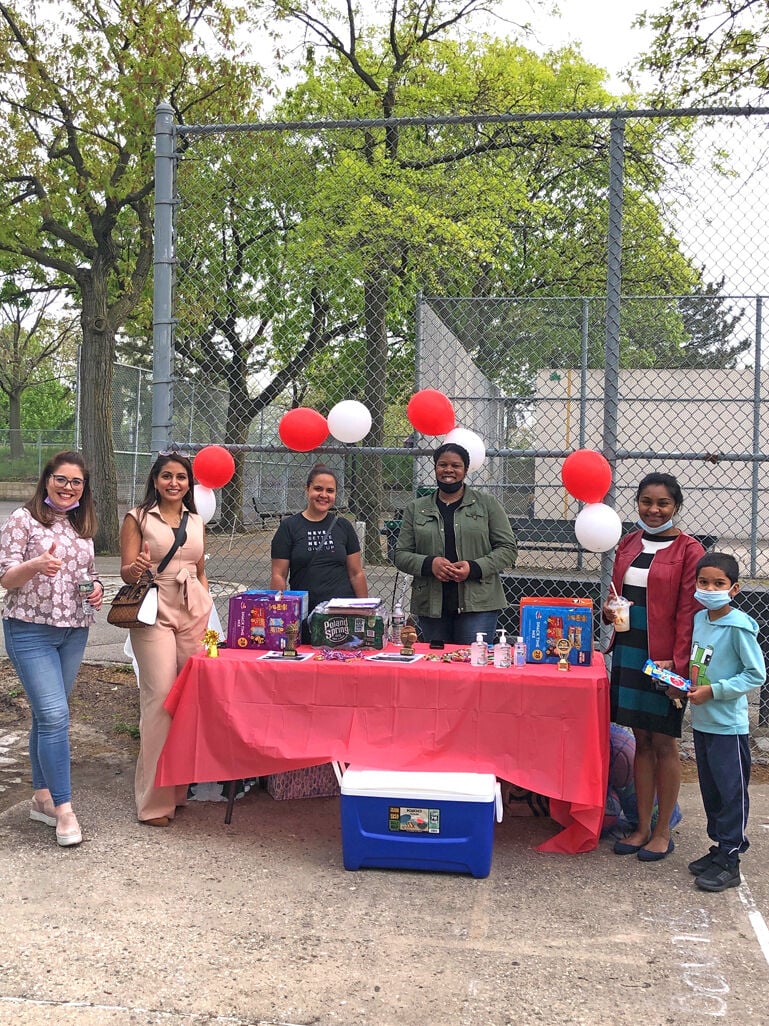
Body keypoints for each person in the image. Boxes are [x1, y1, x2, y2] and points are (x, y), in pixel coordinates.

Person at [0, 451, 103, 847]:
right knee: (56, 716)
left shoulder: (82, 525)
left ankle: (41, 798)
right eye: (61, 479)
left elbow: (89, 575)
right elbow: (7, 578)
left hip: (73, 631)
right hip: (29, 631)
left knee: (46, 718)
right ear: (47, 480)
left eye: (76, 482)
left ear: (83, 488)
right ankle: (64, 809)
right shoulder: (22, 520)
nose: (68, 487)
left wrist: (95, 590)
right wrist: (34, 565)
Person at [603, 471, 704, 861]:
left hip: (663, 659)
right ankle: (641, 826)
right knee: (641, 740)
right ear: (638, 504)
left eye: (663, 503)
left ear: (676, 506)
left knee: (665, 742)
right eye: (647, 501)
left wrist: (677, 667)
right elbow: (619, 595)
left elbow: (688, 614)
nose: (654, 509)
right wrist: (612, 613)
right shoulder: (628, 543)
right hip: (630, 649)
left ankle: (663, 830)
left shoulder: (689, 550)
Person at [119, 451, 212, 826]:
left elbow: (200, 570)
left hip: (193, 613)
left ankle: (178, 790)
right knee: (160, 699)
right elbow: (126, 574)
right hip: (153, 611)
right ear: (155, 480)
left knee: (190, 699)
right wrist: (135, 567)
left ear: (189, 484)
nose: (174, 483)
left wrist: (208, 623)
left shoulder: (196, 520)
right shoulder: (137, 518)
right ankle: (154, 803)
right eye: (167, 476)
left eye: (181, 478)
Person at [687, 552, 766, 892]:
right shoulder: (700, 620)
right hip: (702, 722)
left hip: (728, 727)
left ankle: (731, 859)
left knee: (731, 791)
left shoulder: (739, 627)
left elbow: (755, 674)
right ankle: (719, 847)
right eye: (703, 582)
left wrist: (715, 691)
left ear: (733, 589)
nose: (709, 588)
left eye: (718, 583)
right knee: (712, 790)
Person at [394, 442, 517, 645]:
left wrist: (475, 567)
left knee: (473, 666)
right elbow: (400, 554)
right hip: (431, 605)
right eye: (442, 465)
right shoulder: (416, 508)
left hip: (479, 604)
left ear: (465, 470)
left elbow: (508, 549)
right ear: (435, 468)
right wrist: (429, 564)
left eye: (456, 465)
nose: (448, 470)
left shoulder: (487, 504)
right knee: (435, 670)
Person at [270, 464, 368, 639]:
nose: (324, 495)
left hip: (343, 614)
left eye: (330, 491)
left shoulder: (343, 526)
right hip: (306, 615)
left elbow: (356, 573)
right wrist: (278, 615)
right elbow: (279, 575)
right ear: (307, 489)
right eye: (318, 489)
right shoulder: (289, 527)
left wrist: (366, 612)